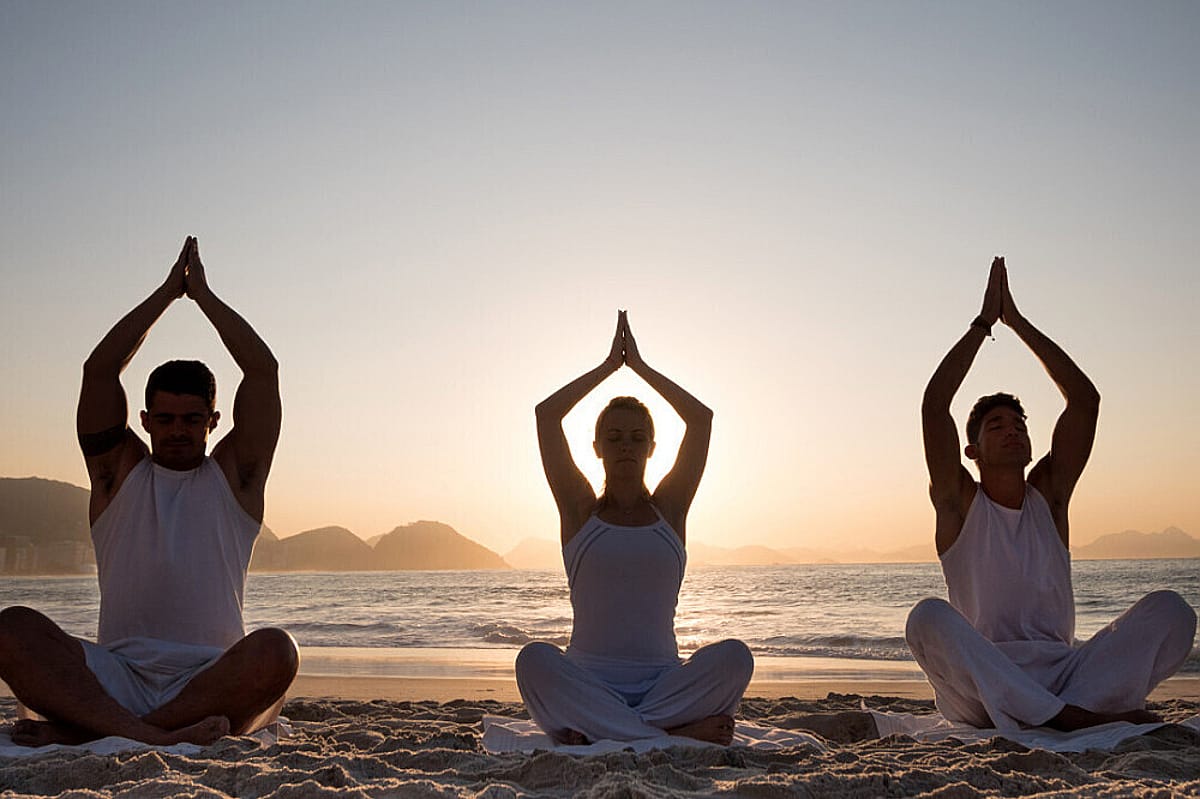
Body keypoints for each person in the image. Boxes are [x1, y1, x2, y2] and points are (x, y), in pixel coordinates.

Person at [0, 237, 298, 747]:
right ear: (144, 420)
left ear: (213, 421)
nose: (178, 430)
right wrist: (165, 295)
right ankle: (148, 732)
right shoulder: (116, 474)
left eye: (191, 419)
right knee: (10, 628)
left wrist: (202, 296)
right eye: (164, 419)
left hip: (209, 681)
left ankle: (95, 734)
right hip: (112, 677)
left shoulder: (236, 478)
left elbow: (263, 373)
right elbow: (98, 372)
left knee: (278, 650)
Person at [906, 256, 1196, 731]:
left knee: (1173, 610)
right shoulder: (959, 505)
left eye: (1019, 423)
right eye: (997, 425)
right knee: (926, 619)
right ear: (972, 449)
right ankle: (1068, 718)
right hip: (984, 686)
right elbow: (935, 404)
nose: (1012, 430)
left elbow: (1084, 401)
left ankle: (1059, 713)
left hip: (1065, 678)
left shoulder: (1051, 498)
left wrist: (1017, 322)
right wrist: (984, 324)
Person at [516, 311, 753, 746]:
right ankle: (665, 732)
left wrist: (640, 368)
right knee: (533, 661)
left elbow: (701, 420)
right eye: (615, 437)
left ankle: (617, 728)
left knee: (736, 657)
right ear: (597, 448)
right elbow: (546, 416)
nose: (626, 445)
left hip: (664, 686)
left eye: (637, 437)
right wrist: (609, 368)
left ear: (651, 447)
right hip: (588, 682)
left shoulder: (671, 509)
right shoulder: (578, 511)